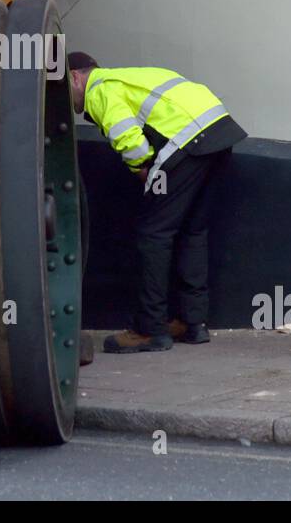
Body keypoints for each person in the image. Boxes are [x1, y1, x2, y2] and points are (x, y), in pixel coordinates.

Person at [68, 52, 247, 354]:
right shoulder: (131, 76)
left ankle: (150, 329)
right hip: (218, 131)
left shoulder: (100, 88)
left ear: (75, 76)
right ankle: (193, 324)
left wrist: (143, 170)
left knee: (153, 235)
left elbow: (129, 138)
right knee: (192, 230)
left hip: (188, 142)